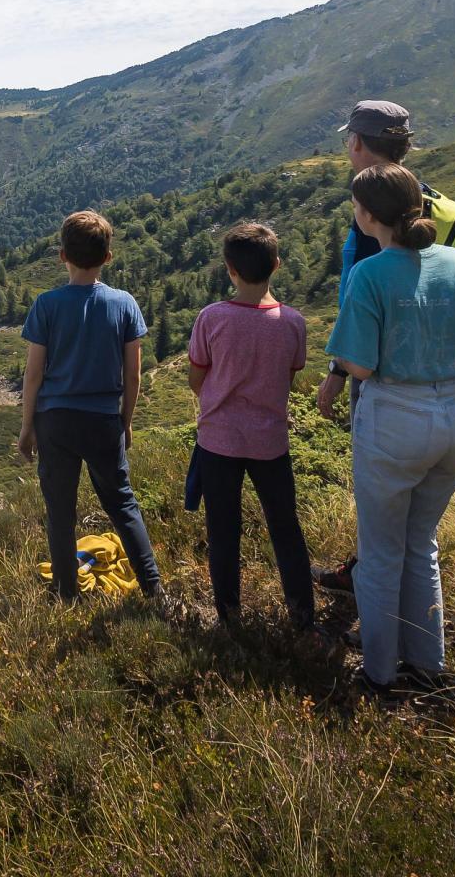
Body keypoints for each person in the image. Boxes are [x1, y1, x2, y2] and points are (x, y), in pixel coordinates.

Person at [314, 100, 455, 597]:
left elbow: (370, 296)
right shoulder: (415, 198)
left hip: (389, 388)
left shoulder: (373, 205)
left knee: (387, 514)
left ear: (356, 142)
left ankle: (374, 605)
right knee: (419, 534)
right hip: (451, 393)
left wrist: (339, 369)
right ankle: (414, 633)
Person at [326, 164, 455, 694]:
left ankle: (380, 672)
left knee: (380, 552)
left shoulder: (372, 273)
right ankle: (428, 662)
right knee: (421, 542)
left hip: (396, 417)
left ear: (368, 215)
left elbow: (358, 363)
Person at [17, 210, 166, 604]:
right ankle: (154, 589)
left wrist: (27, 426)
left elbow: (33, 376)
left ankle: (67, 595)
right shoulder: (124, 304)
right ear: (108, 257)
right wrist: (126, 422)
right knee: (122, 503)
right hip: (103, 421)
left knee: (60, 512)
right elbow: (132, 377)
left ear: (62, 255)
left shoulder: (46, 305)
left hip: (56, 422)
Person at [185, 221, 316, 628]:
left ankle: (229, 616)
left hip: (219, 441)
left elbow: (195, 378)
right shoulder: (292, 322)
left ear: (230, 269)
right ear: (276, 265)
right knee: (285, 527)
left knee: (223, 532)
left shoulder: (212, 318)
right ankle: (301, 615)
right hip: (270, 442)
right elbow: (289, 377)